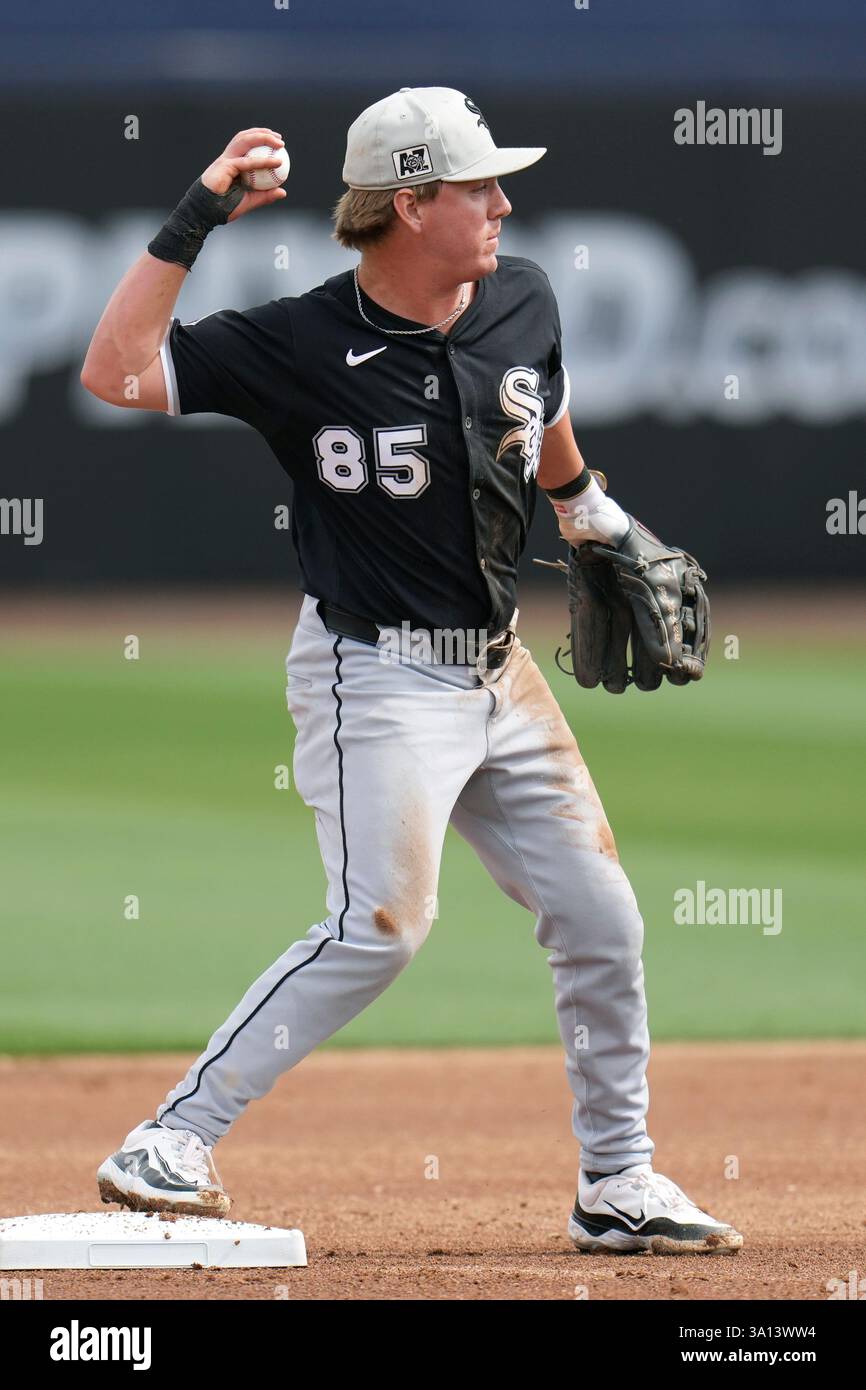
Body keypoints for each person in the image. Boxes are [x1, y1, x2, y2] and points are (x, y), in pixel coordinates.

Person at [81, 87, 742, 1255]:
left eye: (498, 184)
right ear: (407, 202)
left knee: (602, 917)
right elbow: (116, 372)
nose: (501, 202)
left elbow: (539, 412)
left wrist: (588, 517)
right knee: (377, 926)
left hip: (499, 674)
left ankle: (616, 1180)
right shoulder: (297, 342)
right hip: (371, 678)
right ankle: (169, 1139)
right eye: (477, 185)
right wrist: (196, 215)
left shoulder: (521, 297)